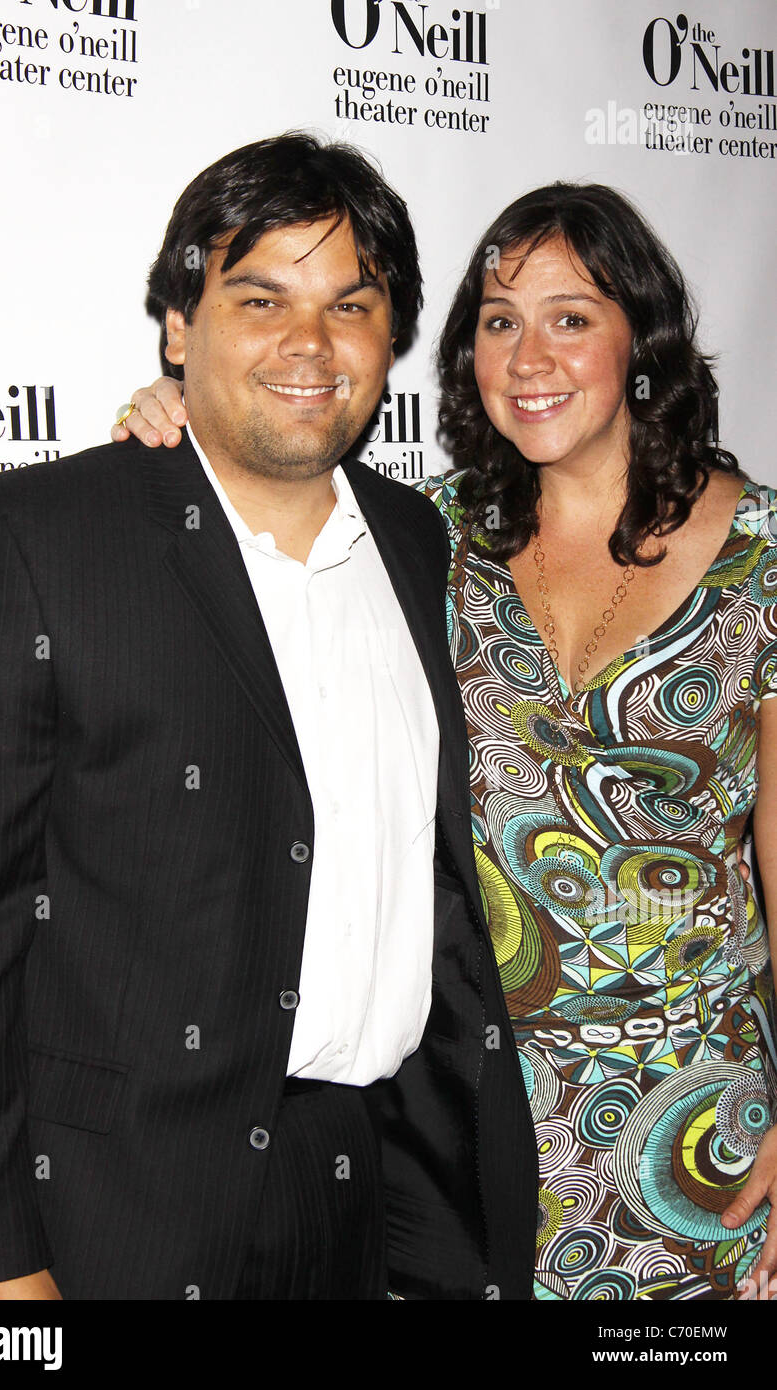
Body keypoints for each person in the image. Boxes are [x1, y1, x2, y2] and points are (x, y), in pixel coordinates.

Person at [122, 180, 777, 1300]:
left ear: (642, 341)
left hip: (698, 1129)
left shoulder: (758, 559)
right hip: (457, 1134)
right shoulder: (424, 539)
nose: (530, 355)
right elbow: (261, 493)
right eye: (498, 319)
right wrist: (182, 413)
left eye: (571, 317)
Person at [0, 133, 537, 1302]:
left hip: (375, 1189)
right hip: (115, 1216)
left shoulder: (415, 540)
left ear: (387, 337)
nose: (309, 344)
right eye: (259, 298)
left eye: (349, 303)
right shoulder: (26, 540)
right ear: (177, 327)